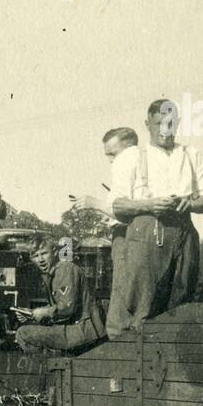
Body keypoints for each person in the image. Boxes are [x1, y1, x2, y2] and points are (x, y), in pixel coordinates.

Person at [109, 100, 203, 330]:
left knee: (180, 305)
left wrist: (190, 203)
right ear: (147, 124)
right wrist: (149, 205)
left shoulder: (191, 154)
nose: (165, 130)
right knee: (143, 309)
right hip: (146, 233)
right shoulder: (132, 157)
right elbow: (118, 206)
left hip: (184, 231)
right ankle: (138, 360)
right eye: (159, 123)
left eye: (170, 123)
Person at [72, 127, 145, 336]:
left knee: (120, 309)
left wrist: (93, 203)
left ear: (128, 146)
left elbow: (125, 210)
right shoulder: (149, 163)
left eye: (113, 154)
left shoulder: (127, 161)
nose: (112, 160)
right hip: (141, 236)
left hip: (126, 236)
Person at [16, 236, 105, 353]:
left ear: (55, 252)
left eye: (44, 253)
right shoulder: (52, 273)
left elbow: (67, 308)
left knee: (23, 333)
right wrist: (32, 314)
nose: (40, 259)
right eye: (35, 256)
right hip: (80, 330)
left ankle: (45, 368)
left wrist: (42, 312)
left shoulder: (65, 269)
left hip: (81, 331)